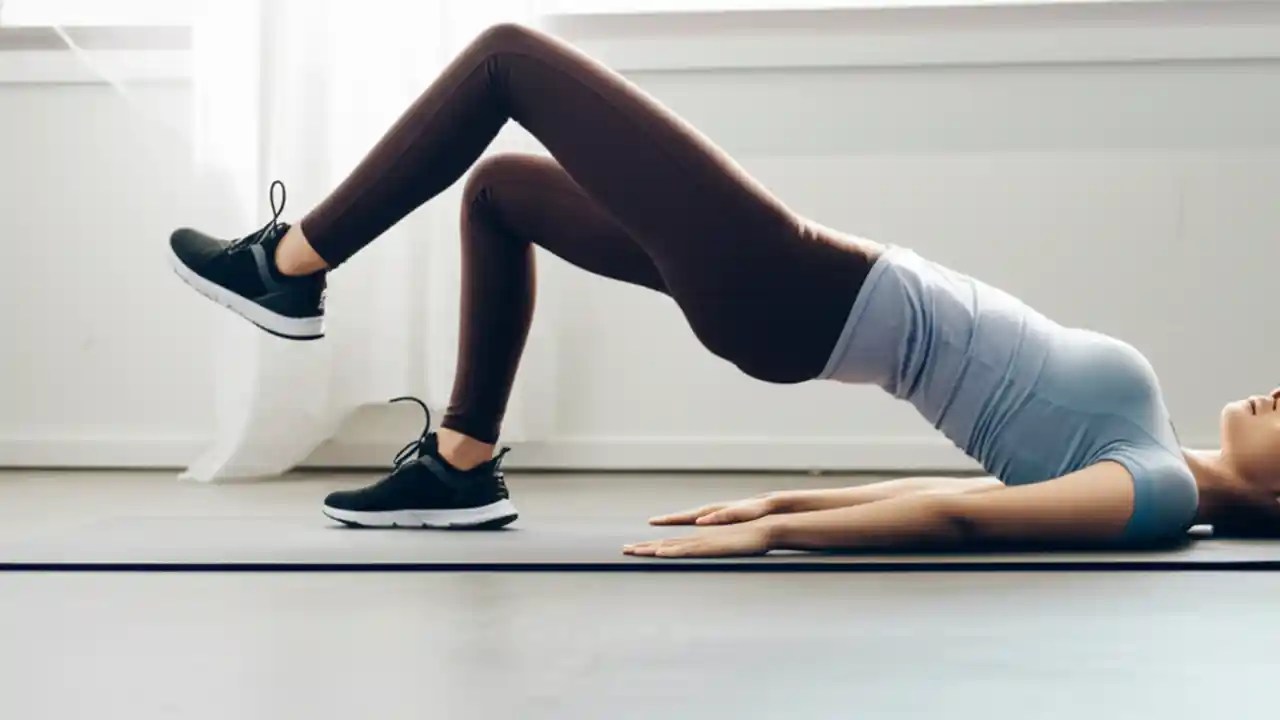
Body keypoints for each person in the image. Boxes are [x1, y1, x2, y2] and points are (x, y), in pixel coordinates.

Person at [169, 23, 1280, 558]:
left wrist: (767, 542)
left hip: (794, 290)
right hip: (798, 290)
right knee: (502, 191)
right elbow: (940, 479)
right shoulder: (1152, 448)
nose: (1279, 394)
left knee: (506, 59)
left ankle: (293, 264)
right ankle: (462, 465)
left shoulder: (1156, 493)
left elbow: (964, 514)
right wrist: (778, 499)